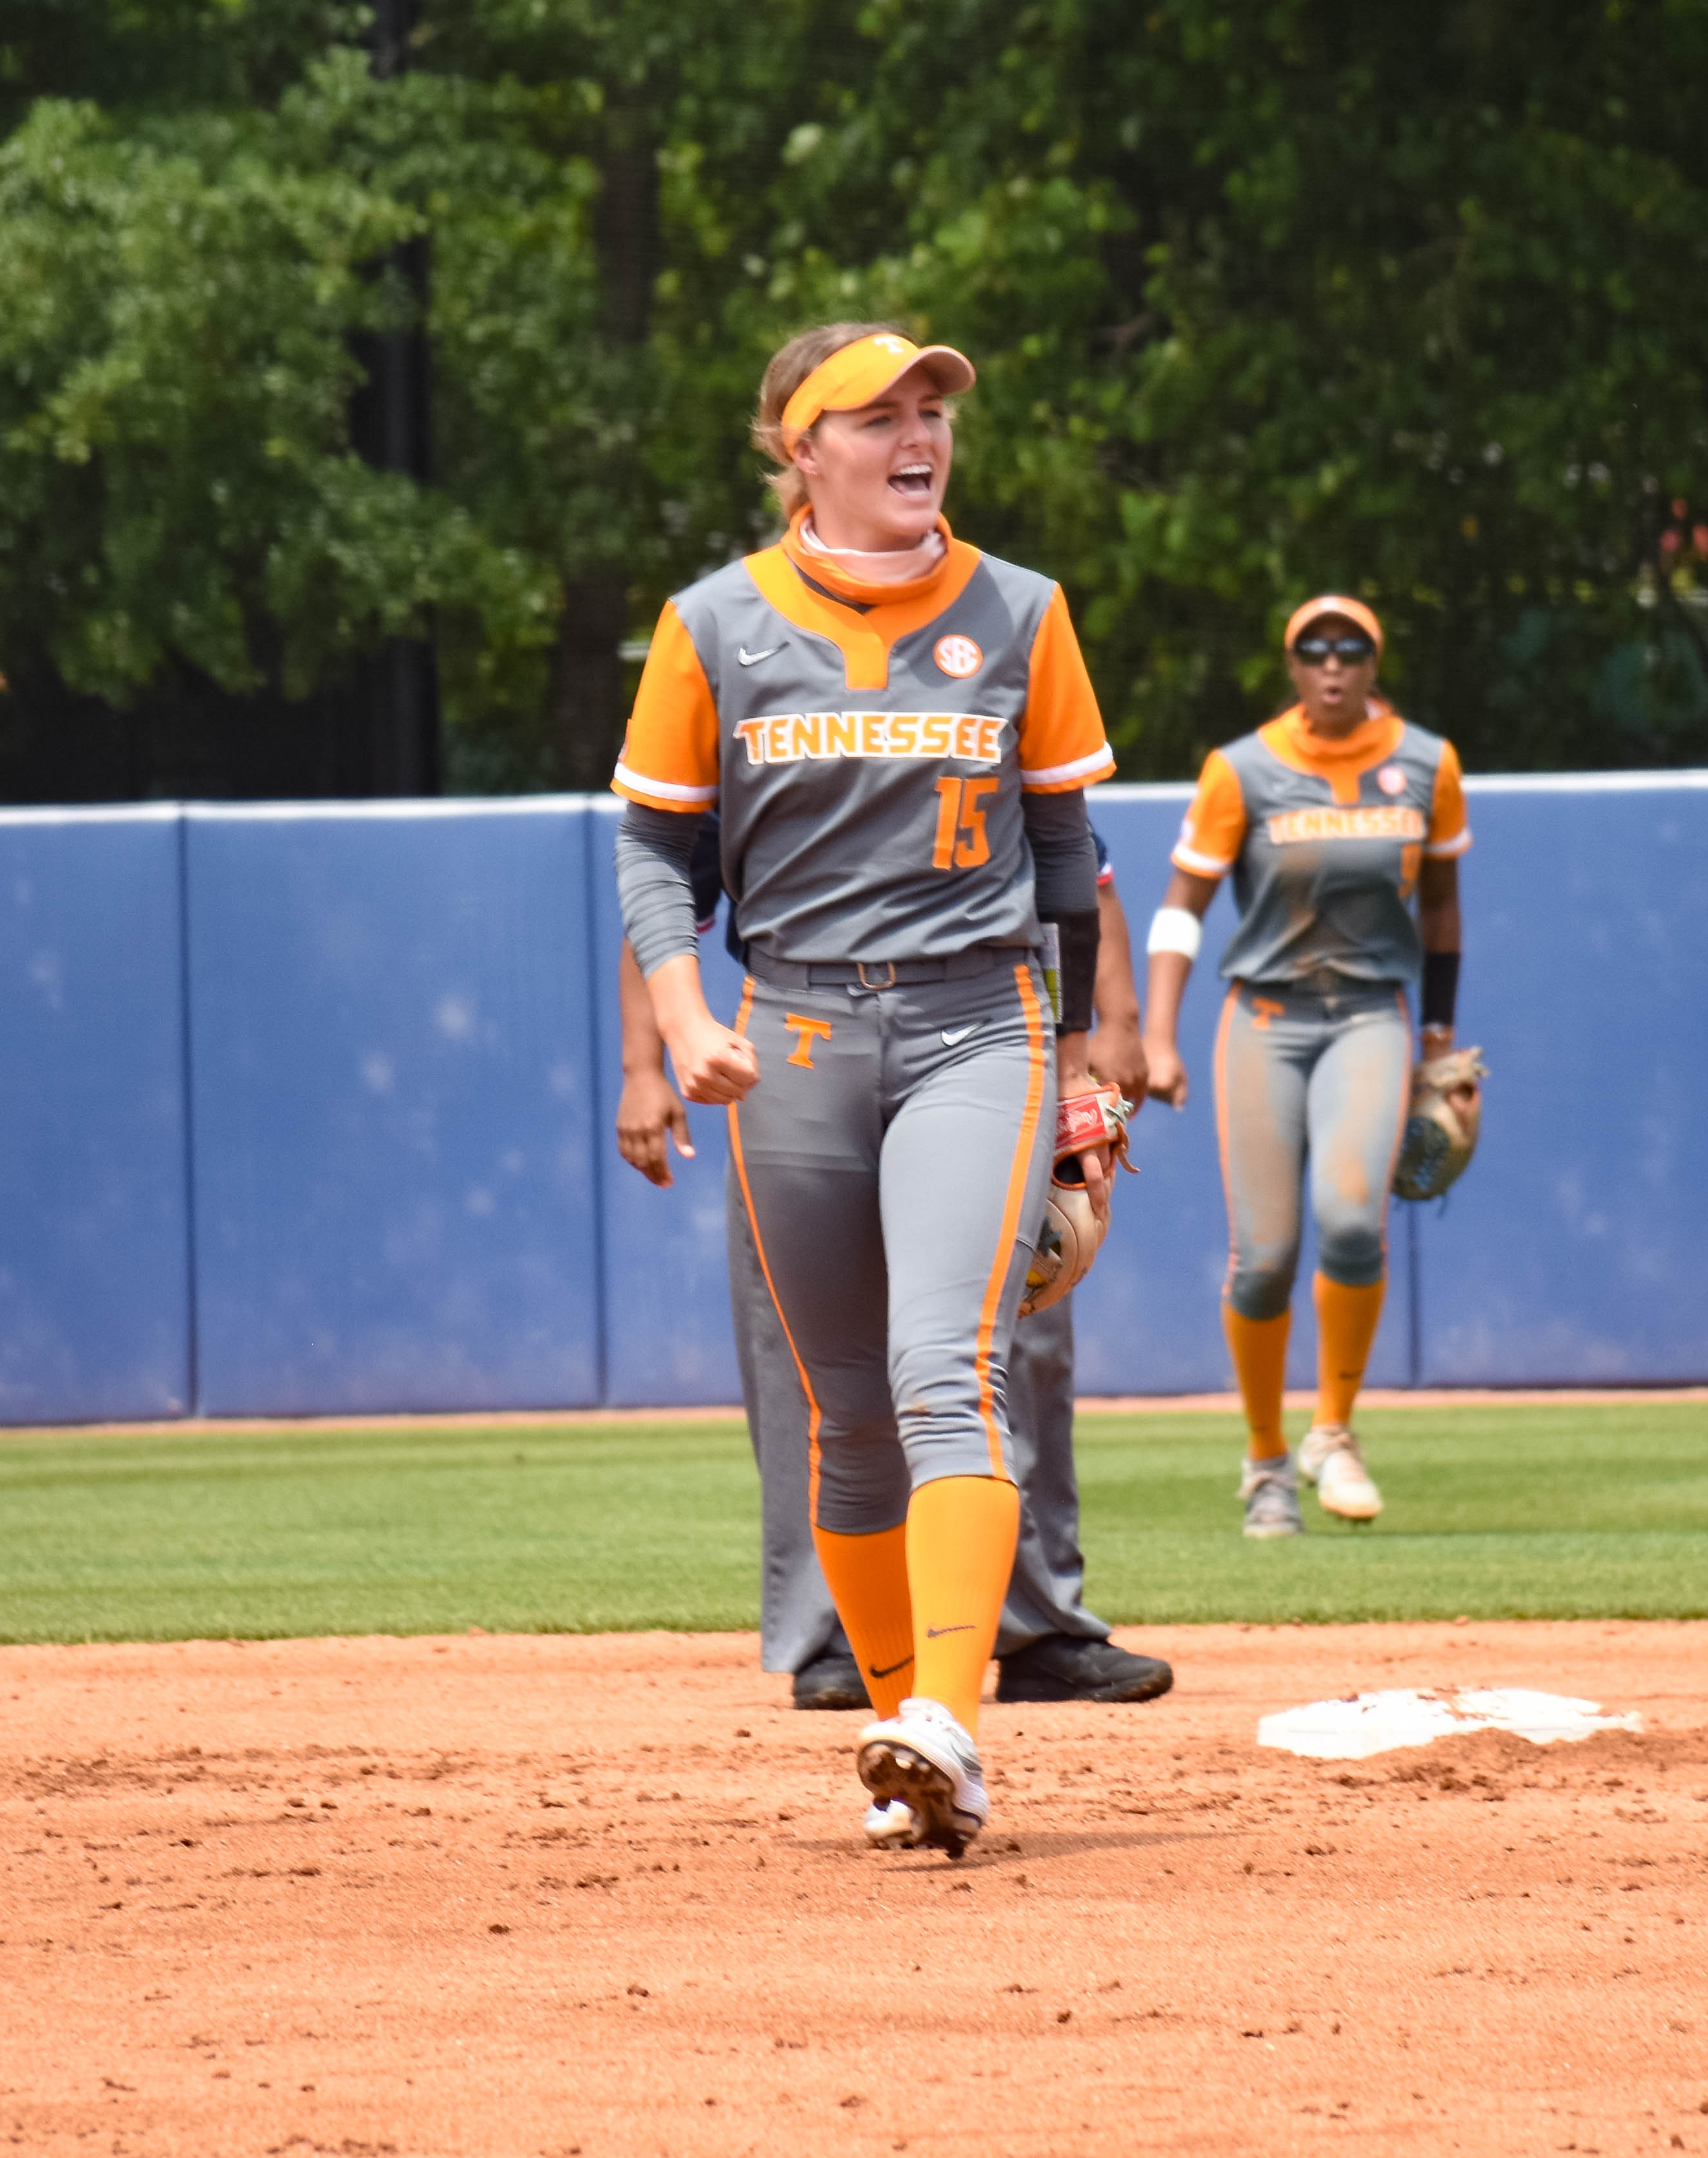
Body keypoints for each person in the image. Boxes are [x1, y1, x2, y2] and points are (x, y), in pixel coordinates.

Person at [609, 320, 1124, 1859]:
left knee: (939, 1371)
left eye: (930, 408)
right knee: (842, 1419)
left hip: (979, 1021)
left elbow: (1064, 861)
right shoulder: (712, 625)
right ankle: (908, 1732)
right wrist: (679, 1013)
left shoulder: (1021, 612)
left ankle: (950, 1726)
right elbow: (655, 850)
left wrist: (1086, 1064)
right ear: (797, 449)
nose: (918, 433)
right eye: (875, 414)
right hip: (795, 1039)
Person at [613, 826, 1173, 1712]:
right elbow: (661, 896)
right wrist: (643, 1066)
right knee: (813, 1368)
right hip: (803, 1060)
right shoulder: (763, 709)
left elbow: (1082, 875)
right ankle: (834, 1633)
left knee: (1010, 1353)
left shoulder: (977, 704)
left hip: (985, 1042)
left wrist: (1114, 1032)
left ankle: (1037, 1625)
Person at [1140, 596, 1470, 1536]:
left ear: (1374, 661)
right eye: (1314, 650)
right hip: (1266, 1017)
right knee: (1266, 1258)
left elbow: (1442, 909)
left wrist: (1440, 1038)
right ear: (1291, 665)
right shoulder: (1241, 769)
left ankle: (1332, 1429)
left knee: (1350, 1221)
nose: (1333, 665)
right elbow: (1179, 910)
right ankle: (1264, 1462)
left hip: (1370, 1013)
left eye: (1351, 650)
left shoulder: (1425, 765)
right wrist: (1158, 1034)